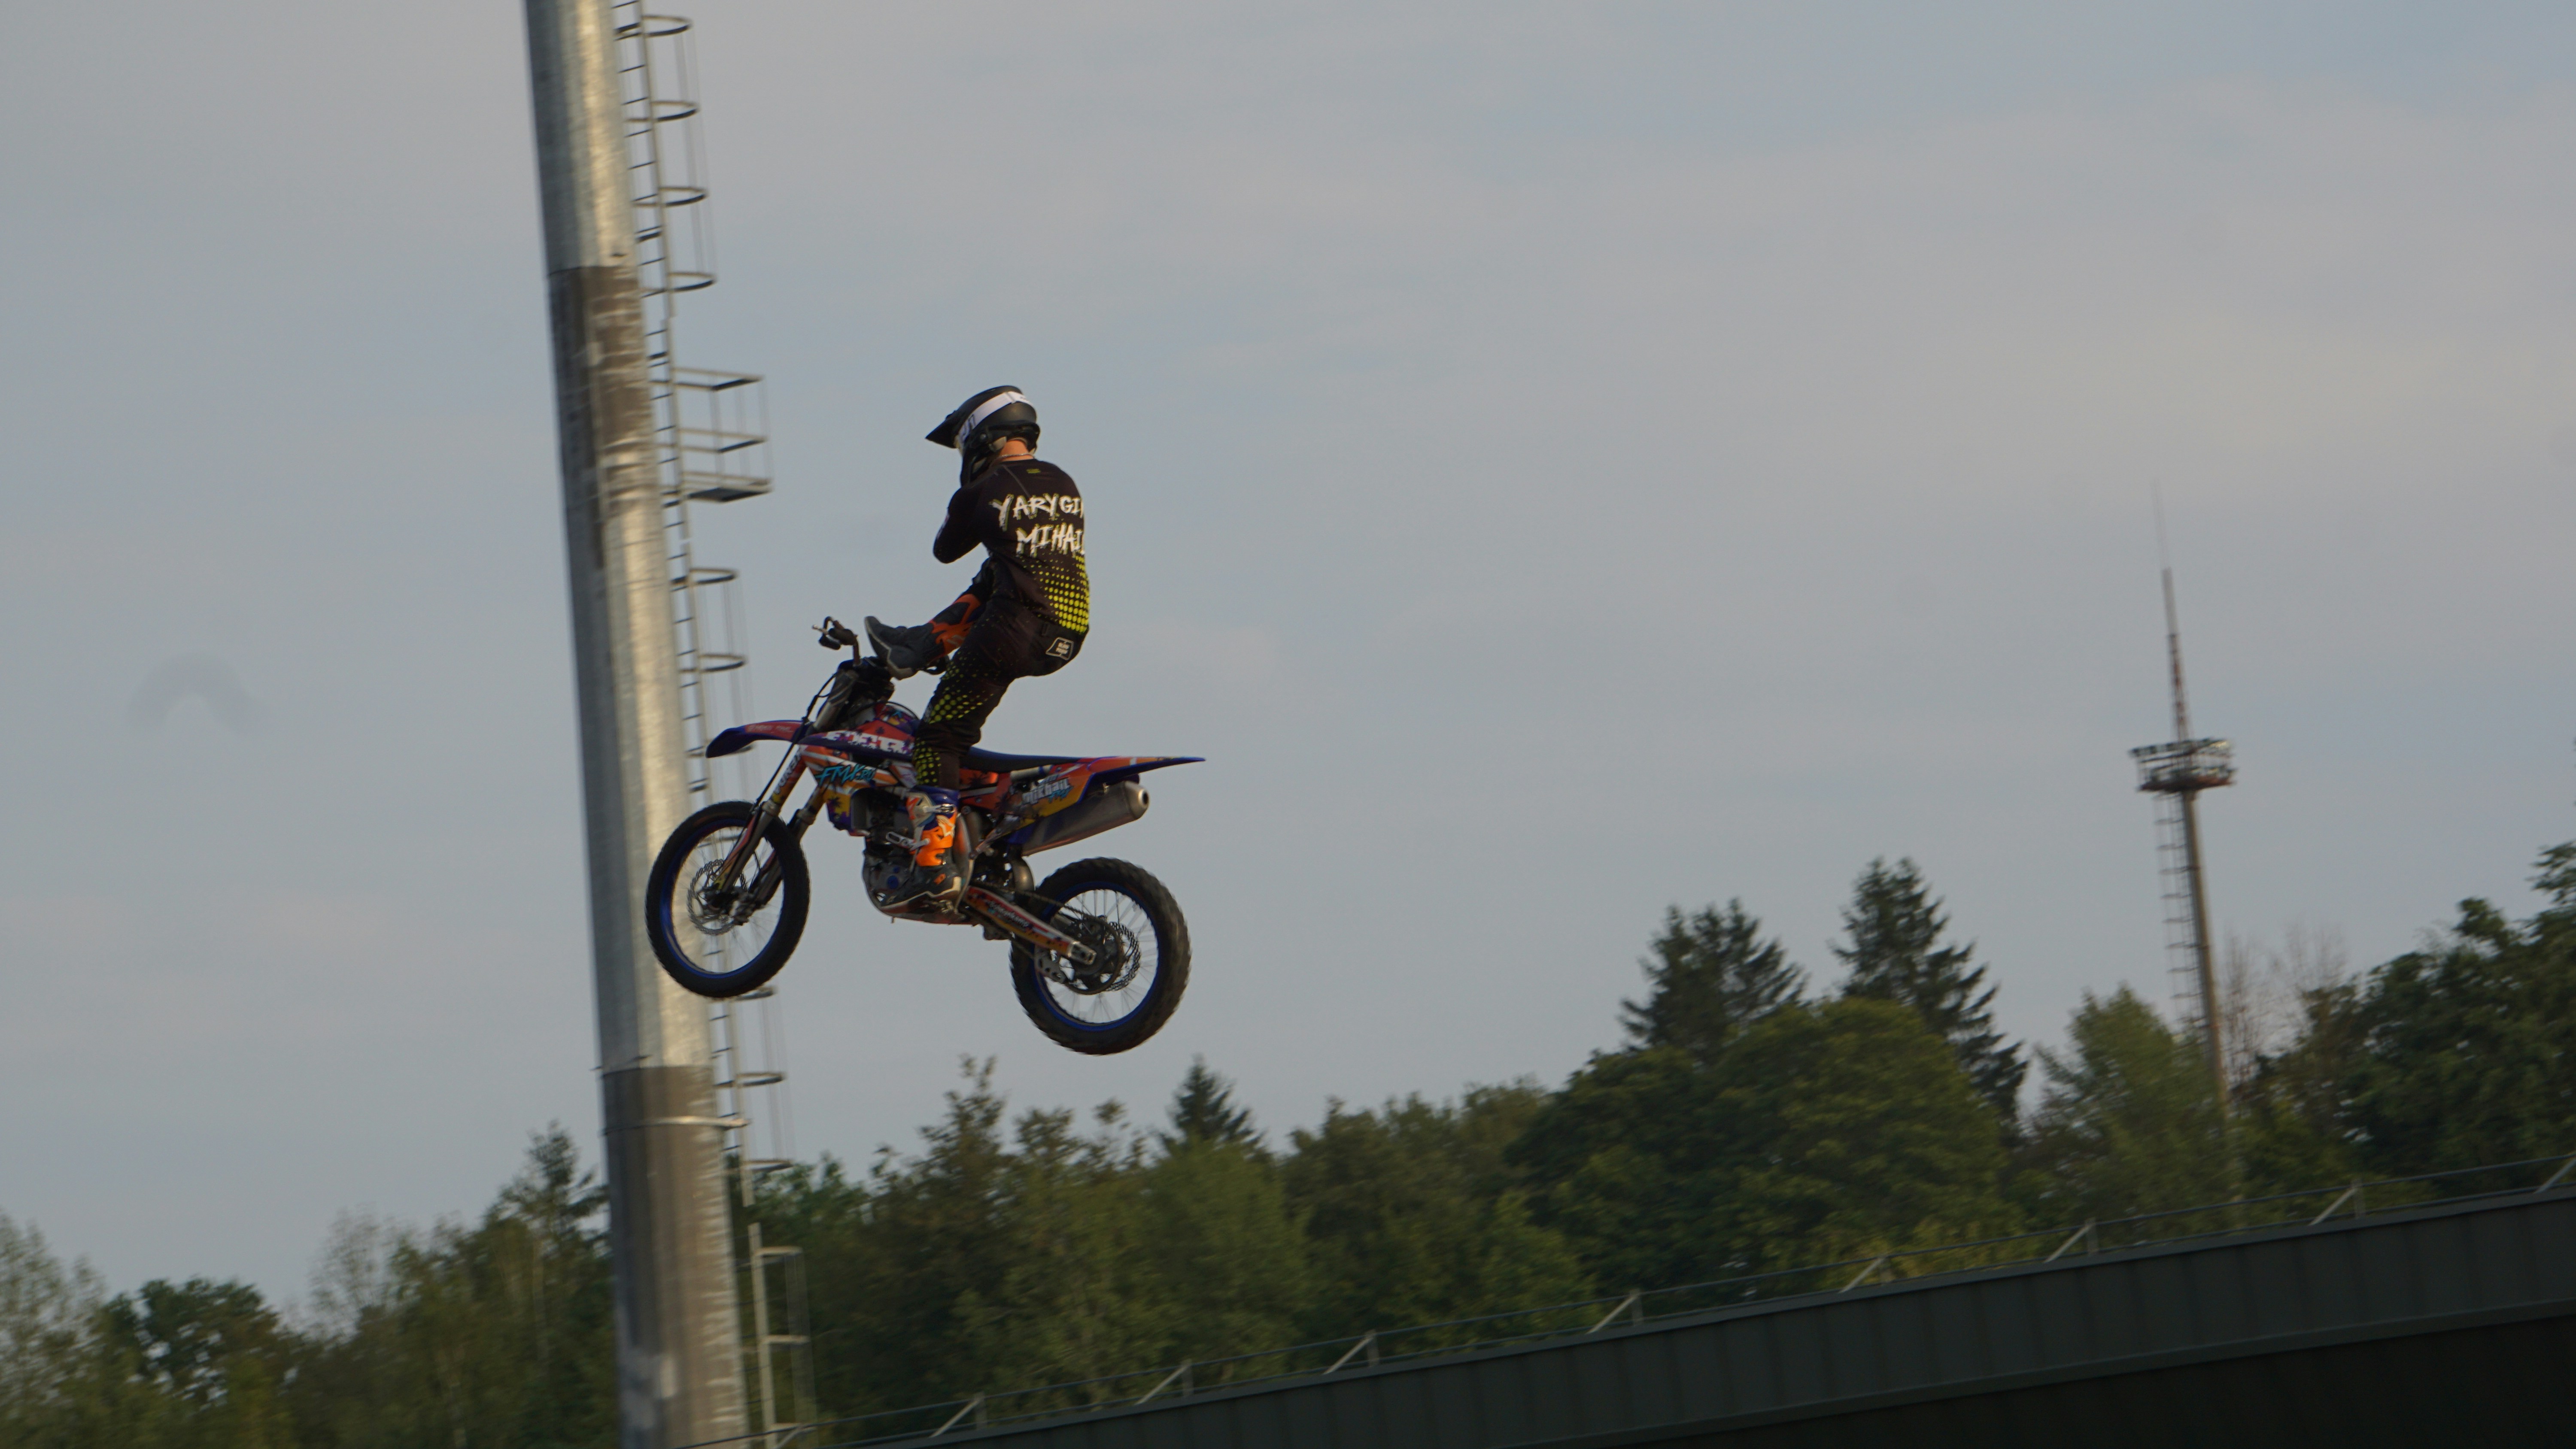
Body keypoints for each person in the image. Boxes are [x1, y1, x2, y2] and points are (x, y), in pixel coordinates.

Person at [866, 387, 1088, 905]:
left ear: (978, 437)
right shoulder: (1066, 482)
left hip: (1011, 633)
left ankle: (935, 865)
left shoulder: (983, 488)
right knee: (1000, 569)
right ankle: (920, 644)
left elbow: (944, 550)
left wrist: (969, 499)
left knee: (936, 740)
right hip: (1069, 630)